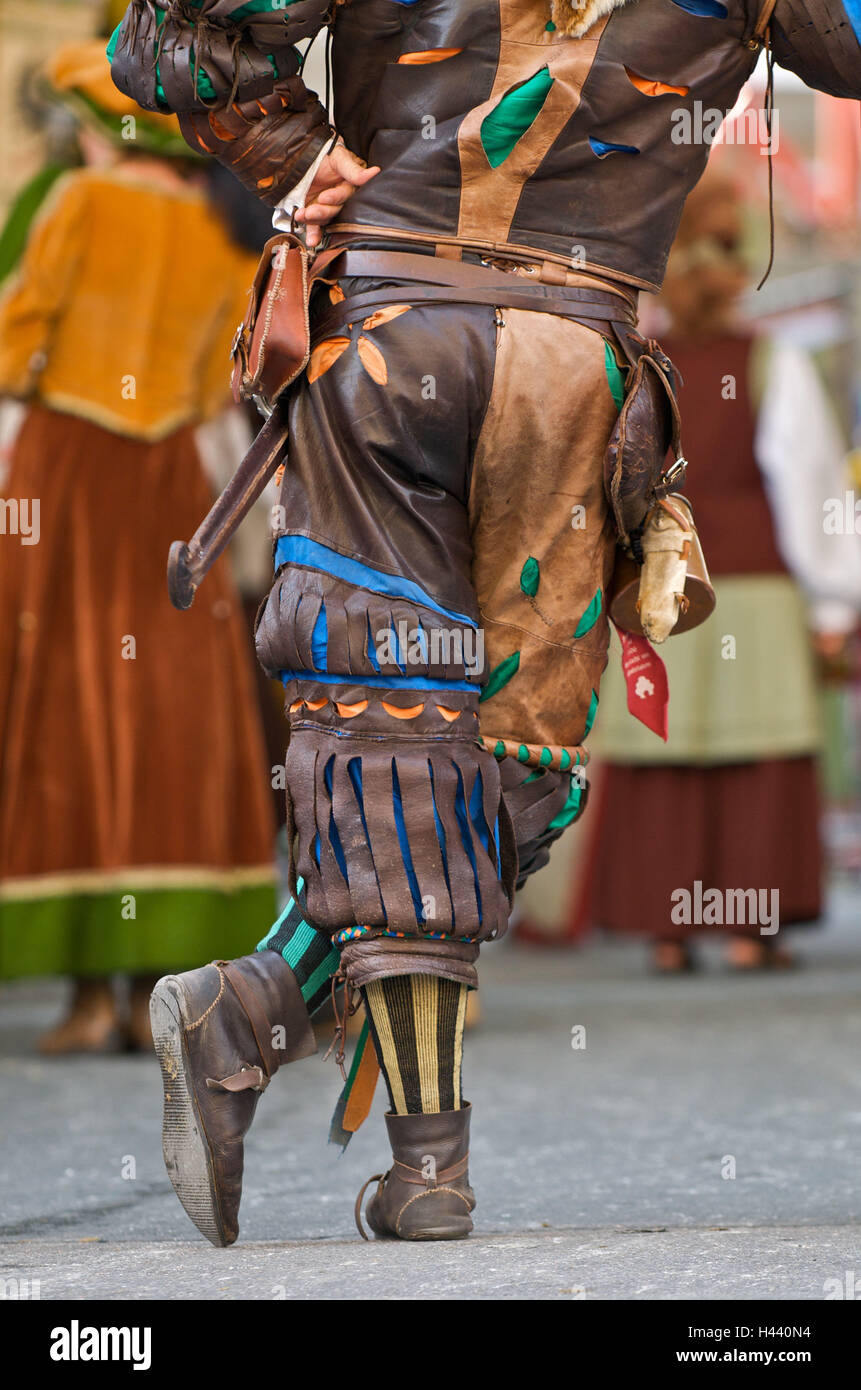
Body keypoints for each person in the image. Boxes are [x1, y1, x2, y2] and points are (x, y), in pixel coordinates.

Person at [108, 0, 861, 1243]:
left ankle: (253, 1020)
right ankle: (422, 1169)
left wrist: (296, 155)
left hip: (420, 348)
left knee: (453, 761)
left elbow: (165, 42)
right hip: (546, 368)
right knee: (471, 767)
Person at [0, 41, 276, 1053]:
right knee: (174, 710)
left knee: (59, 701)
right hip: (173, 486)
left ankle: (84, 996)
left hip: (65, 476)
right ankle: (160, 986)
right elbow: (216, 390)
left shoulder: (82, 204)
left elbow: (13, 343)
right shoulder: (226, 234)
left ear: (93, 130)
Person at [589, 171, 861, 972]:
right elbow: (806, 486)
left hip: (657, 589)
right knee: (761, 762)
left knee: (660, 764)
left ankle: (667, 935)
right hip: (756, 589)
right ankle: (749, 934)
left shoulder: (633, 365)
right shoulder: (768, 360)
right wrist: (835, 602)